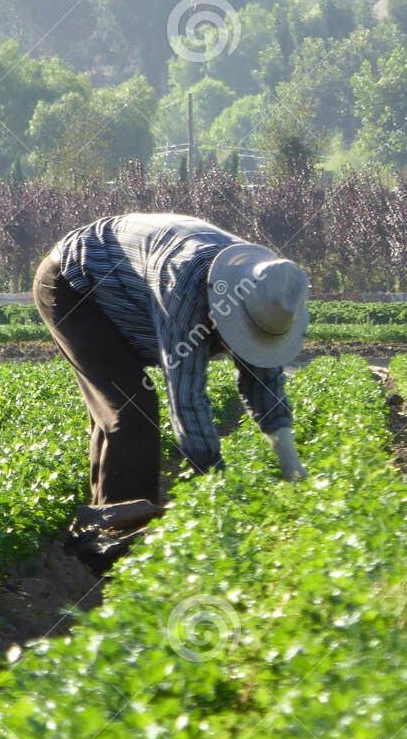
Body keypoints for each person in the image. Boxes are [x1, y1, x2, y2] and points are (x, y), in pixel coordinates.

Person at [32, 213, 309, 566]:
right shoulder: (186, 282)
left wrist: (290, 463)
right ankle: (119, 553)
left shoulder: (265, 288)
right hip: (75, 287)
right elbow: (187, 396)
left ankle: (103, 528)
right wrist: (213, 485)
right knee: (130, 410)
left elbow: (263, 381)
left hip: (127, 292)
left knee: (118, 411)